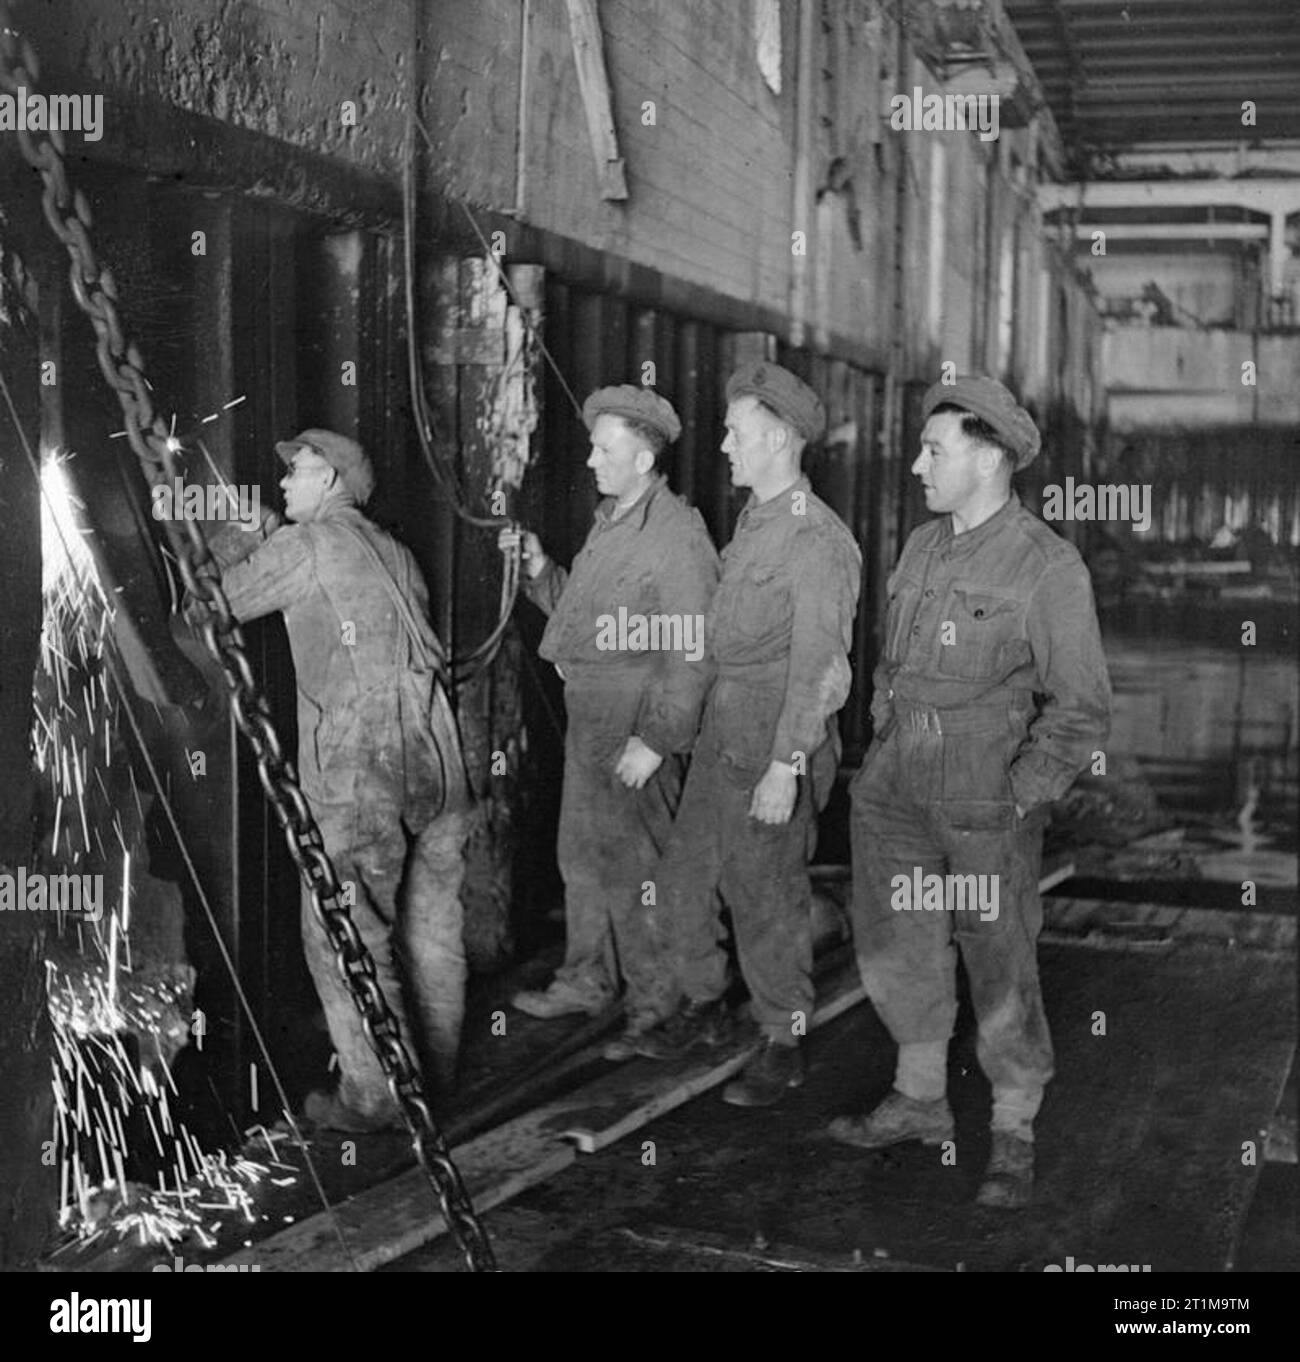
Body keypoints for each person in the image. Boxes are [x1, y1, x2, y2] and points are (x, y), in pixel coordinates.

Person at [832, 376, 1111, 1209]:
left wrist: (1019, 794)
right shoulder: (921, 547)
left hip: (982, 782)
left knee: (999, 954)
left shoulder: (1047, 567)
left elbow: (1082, 706)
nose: (918, 464)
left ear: (988, 457)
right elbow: (889, 663)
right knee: (895, 938)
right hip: (897, 779)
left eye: (935, 450)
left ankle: (1014, 1128)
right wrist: (886, 728)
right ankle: (920, 1101)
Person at [191, 429, 471, 1132]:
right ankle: (434, 1074)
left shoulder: (307, 545)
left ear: (330, 481)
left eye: (296, 474)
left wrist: (238, 537)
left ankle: (377, 1094)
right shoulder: (397, 553)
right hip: (439, 756)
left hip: (363, 764)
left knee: (343, 924)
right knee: (431, 921)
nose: (284, 485)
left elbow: (207, 612)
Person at [629, 362, 861, 1107]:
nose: (724, 445)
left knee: (767, 898)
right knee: (681, 882)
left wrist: (786, 766)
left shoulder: (818, 542)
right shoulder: (756, 522)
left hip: (775, 740)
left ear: (781, 438)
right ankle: (706, 1005)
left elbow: (821, 667)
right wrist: (667, 732)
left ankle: (781, 1039)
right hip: (725, 731)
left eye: (736, 432)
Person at [502, 386, 719, 1053]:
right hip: (593, 722)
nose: (592, 458)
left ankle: (663, 1005)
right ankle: (589, 978)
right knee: (584, 856)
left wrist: (656, 741)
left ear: (645, 456)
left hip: (637, 727)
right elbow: (588, 620)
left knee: (639, 870)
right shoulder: (613, 523)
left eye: (605, 447)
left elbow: (696, 648)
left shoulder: (677, 536)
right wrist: (540, 571)